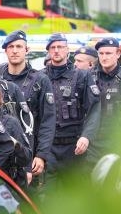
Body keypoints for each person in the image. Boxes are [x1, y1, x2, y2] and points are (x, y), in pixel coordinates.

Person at [0, 31, 53, 177]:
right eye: (11, 47)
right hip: (0, 150)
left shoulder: (40, 80)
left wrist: (41, 155)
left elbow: (48, 120)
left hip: (29, 149)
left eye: (19, 46)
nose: (15, 50)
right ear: (5, 51)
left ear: (27, 50)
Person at [43, 34, 102, 172]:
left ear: (67, 50)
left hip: (74, 147)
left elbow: (94, 109)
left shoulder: (82, 76)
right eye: (53, 47)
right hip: (47, 148)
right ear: (48, 51)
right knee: (47, 192)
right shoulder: (40, 77)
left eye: (60, 47)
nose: (56, 50)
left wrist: (86, 136)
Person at [89, 37, 121, 160]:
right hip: (93, 142)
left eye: (108, 53)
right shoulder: (89, 77)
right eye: (101, 53)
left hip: (118, 139)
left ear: (117, 54)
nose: (104, 57)